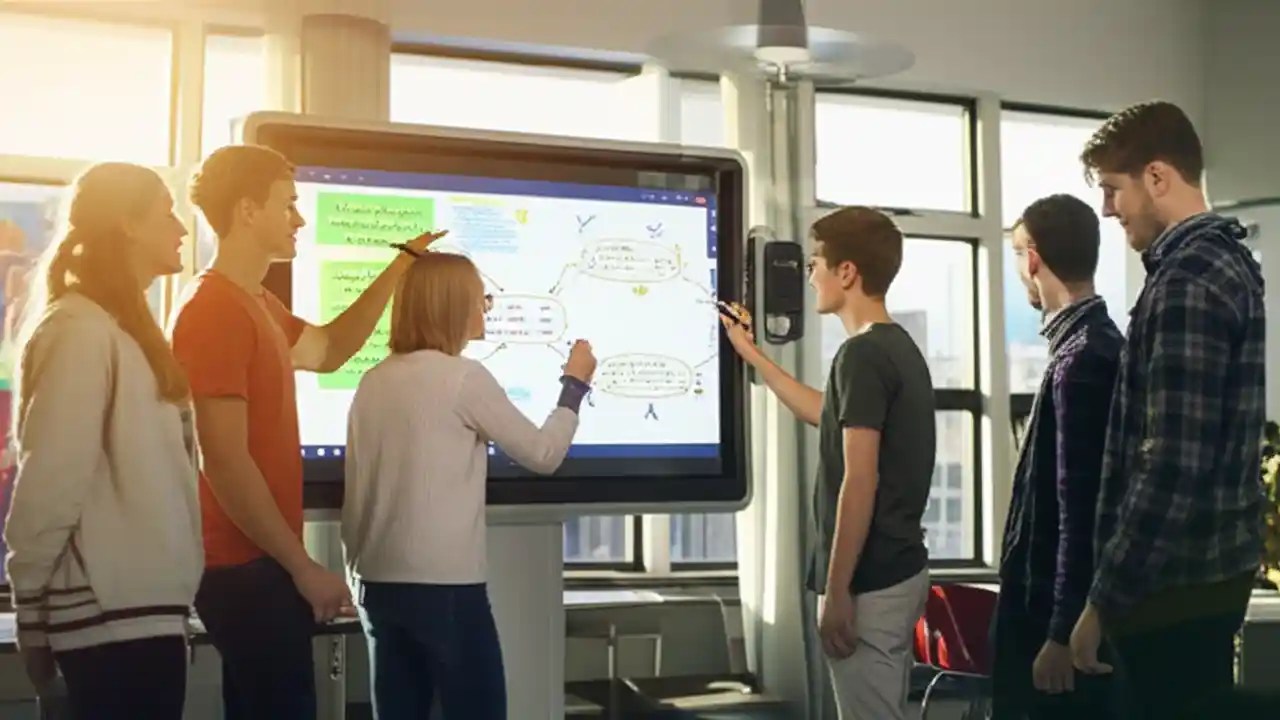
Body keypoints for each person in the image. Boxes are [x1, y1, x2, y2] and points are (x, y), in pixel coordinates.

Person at [169, 144, 445, 718]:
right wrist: (301, 565)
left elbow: (331, 350)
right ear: (247, 211)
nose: (299, 220)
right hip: (240, 567)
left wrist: (400, 265)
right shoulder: (212, 309)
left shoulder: (257, 302)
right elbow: (222, 461)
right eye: (288, 205)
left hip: (261, 563)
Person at [1068, 101, 1265, 718]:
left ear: (1157, 176)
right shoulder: (1226, 261)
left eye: (1113, 188)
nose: (1107, 209)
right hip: (1204, 581)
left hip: (1171, 590)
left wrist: (1101, 602)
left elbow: (1170, 463)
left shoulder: (1186, 280)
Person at [342, 249, 595, 719]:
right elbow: (543, 454)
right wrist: (574, 384)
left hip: (376, 584)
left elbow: (356, 491)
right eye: (482, 299)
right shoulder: (463, 378)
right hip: (445, 589)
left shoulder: (372, 381)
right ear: (452, 305)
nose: (486, 309)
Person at [4, 162, 202, 719]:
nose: (181, 229)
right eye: (167, 213)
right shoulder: (79, 329)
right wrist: (30, 607)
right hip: (104, 622)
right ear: (127, 224)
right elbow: (51, 478)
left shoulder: (122, 332)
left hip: (141, 616)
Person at [720, 206, 934, 719]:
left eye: (816, 262)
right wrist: (753, 355)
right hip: (899, 570)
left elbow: (860, 480)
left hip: (871, 581)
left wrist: (837, 591)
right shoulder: (895, 347)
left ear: (847, 272)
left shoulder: (861, 356)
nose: (810, 274)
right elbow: (827, 414)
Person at [992, 194, 1122, 719]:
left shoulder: (1080, 360)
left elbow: (1079, 509)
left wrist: (1060, 633)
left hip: (1051, 621)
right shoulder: (1101, 344)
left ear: (1033, 259)